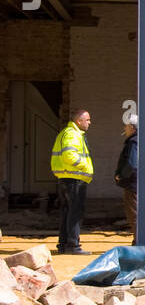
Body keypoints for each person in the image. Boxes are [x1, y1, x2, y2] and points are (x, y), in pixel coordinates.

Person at [50, 107, 94, 255]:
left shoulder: (66, 133)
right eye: (87, 120)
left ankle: (63, 245)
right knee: (75, 213)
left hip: (66, 178)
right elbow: (69, 156)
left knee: (67, 212)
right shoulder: (72, 134)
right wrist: (84, 166)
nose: (89, 122)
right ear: (78, 120)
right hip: (74, 179)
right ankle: (72, 245)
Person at [114, 114, 138, 241]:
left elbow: (131, 163)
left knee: (133, 213)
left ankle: (139, 240)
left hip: (132, 183)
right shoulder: (139, 140)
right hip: (136, 182)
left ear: (132, 127)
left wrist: (121, 176)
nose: (124, 128)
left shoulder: (133, 142)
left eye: (126, 126)